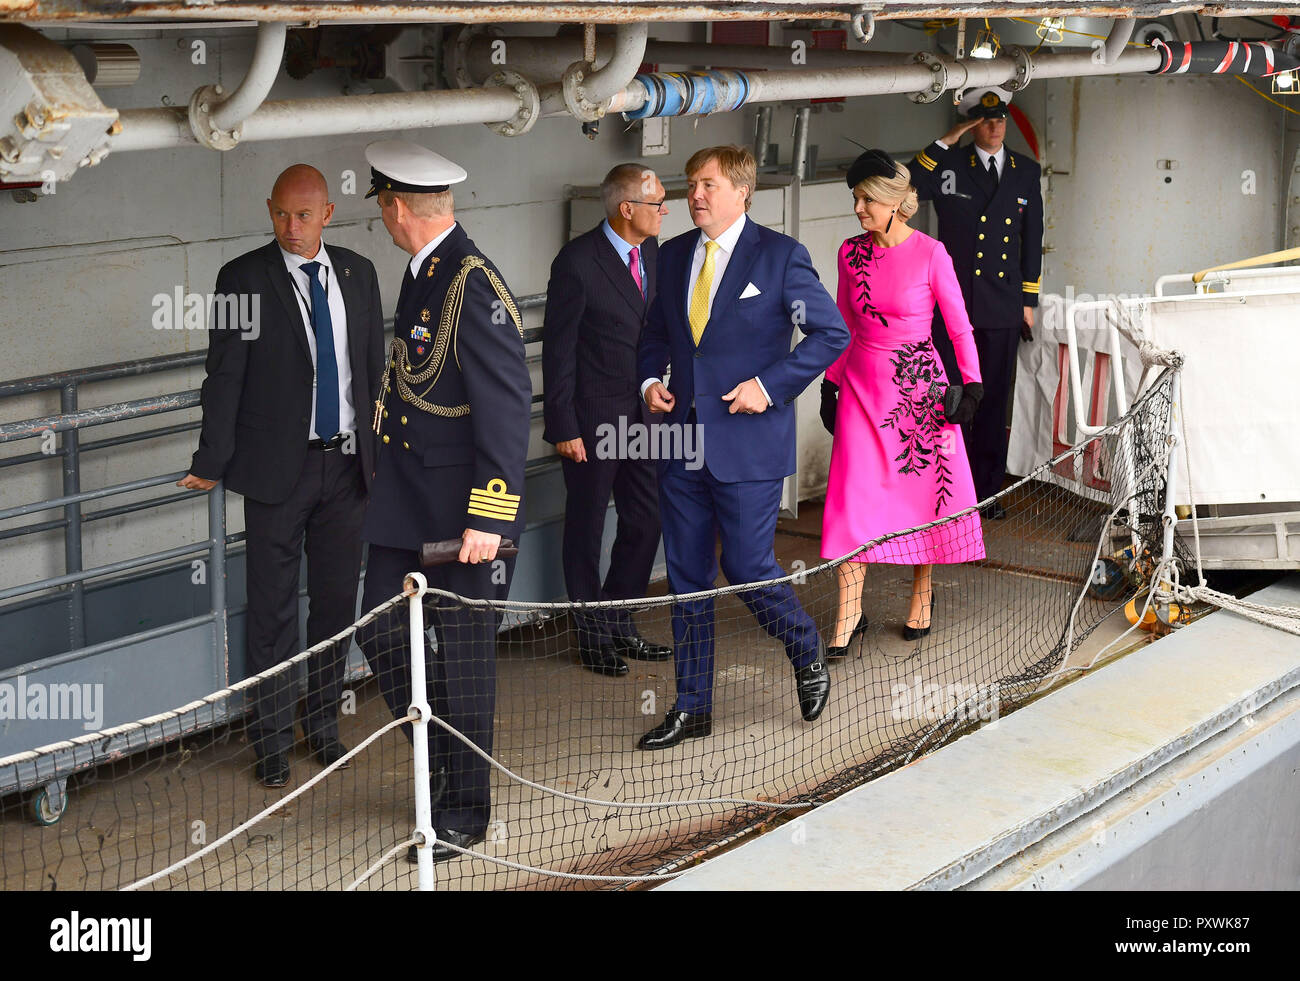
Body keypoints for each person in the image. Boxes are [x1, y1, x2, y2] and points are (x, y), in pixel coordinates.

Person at [635, 145, 850, 750]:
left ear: (740, 190)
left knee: (749, 568)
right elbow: (654, 335)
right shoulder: (673, 256)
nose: (693, 195)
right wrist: (651, 381)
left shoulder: (780, 257)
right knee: (687, 577)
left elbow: (830, 333)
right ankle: (693, 705)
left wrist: (769, 386)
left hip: (749, 446)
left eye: (706, 184)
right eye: (691, 184)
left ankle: (804, 646)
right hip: (681, 444)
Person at [179, 164, 385, 788]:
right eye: (279, 215)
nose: (290, 228)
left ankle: (322, 726)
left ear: (327, 213)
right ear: (269, 211)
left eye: (303, 216)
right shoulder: (242, 278)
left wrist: (385, 454)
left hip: (348, 467)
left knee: (333, 606)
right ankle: (268, 740)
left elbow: (373, 369)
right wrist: (211, 461)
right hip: (277, 474)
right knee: (270, 611)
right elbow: (225, 377)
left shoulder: (359, 272)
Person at [354, 140, 531, 864]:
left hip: (463, 513)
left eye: (383, 208)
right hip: (407, 498)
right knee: (377, 628)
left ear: (397, 209)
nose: (385, 219)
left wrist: (490, 516)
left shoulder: (470, 283)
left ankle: (462, 808)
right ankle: (438, 752)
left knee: (461, 660)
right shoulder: (424, 273)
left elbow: (508, 403)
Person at [819, 150, 986, 648]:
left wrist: (972, 384)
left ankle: (922, 591)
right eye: (856, 199)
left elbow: (958, 327)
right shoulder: (851, 253)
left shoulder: (932, 253)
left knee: (921, 499)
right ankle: (848, 615)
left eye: (866, 199)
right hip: (861, 390)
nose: (858, 209)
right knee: (853, 500)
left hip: (919, 392)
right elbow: (844, 323)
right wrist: (830, 382)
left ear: (894, 202)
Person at [542, 163, 673, 677]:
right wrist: (563, 425)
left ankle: (620, 619)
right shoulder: (577, 262)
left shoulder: (656, 254)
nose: (664, 211)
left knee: (646, 519)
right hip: (592, 421)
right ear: (627, 210)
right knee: (587, 526)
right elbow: (559, 350)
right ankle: (591, 634)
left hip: (644, 416)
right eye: (656, 203)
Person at [909, 87, 1044, 518]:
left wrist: (1028, 299)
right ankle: (950, 486)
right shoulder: (950, 164)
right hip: (953, 303)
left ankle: (986, 492)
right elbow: (909, 182)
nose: (995, 126)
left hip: (1002, 303)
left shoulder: (1025, 170)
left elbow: (1032, 238)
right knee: (951, 394)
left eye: (1000, 118)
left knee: (993, 396)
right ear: (972, 123)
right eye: (985, 119)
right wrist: (949, 137)